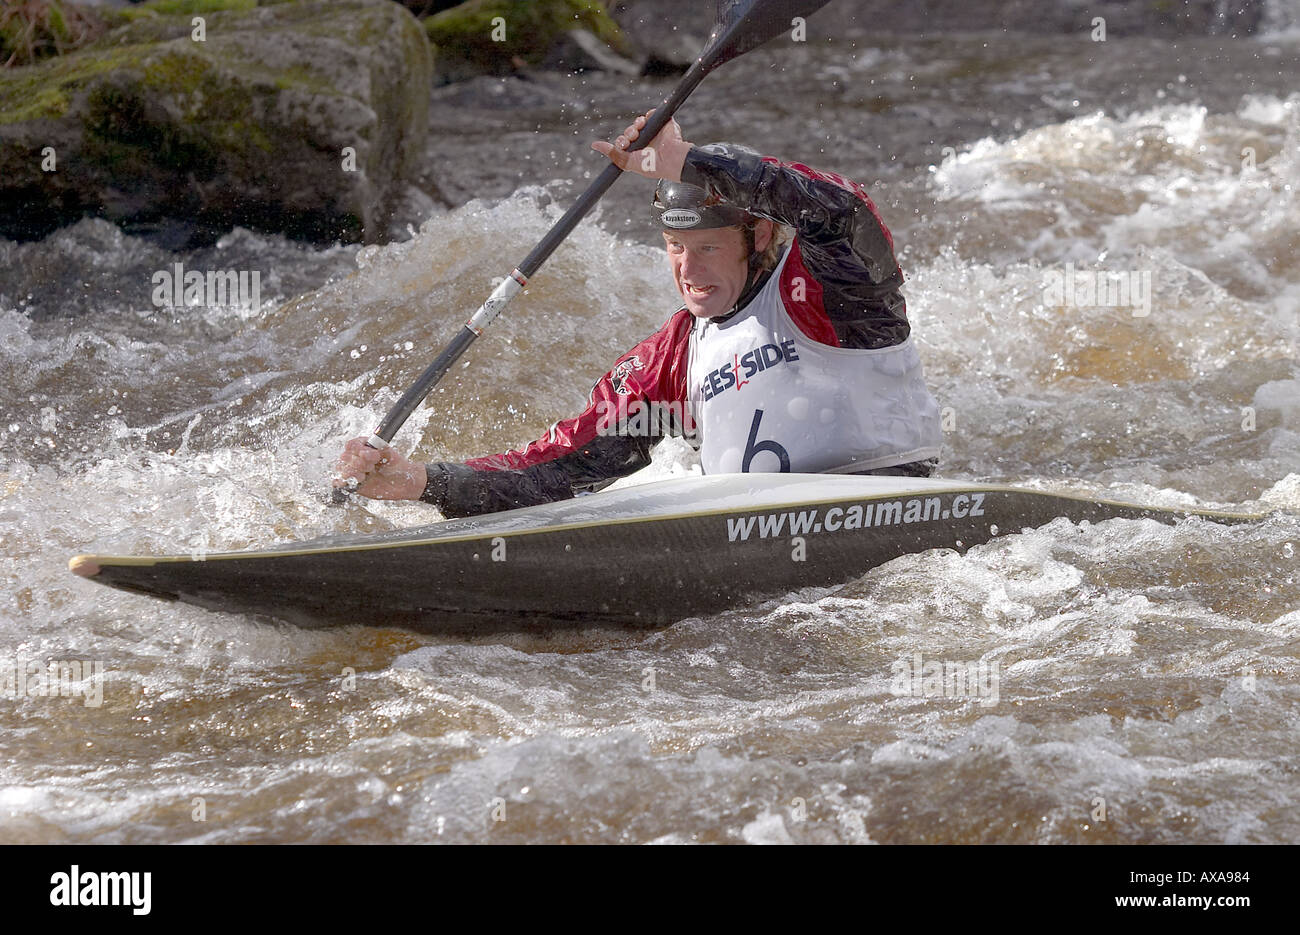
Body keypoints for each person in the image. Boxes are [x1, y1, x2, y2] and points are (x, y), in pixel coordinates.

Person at [335, 111, 942, 517]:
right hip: (751, 527)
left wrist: (689, 163)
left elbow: (840, 209)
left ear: (758, 239)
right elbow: (570, 462)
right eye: (676, 249)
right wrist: (425, 482)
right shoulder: (675, 355)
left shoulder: (835, 294)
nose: (688, 269)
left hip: (885, 497)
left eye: (707, 248)